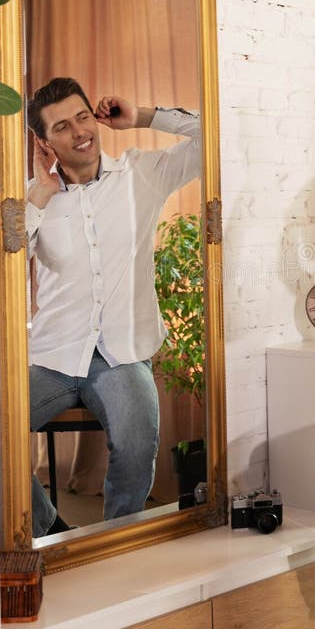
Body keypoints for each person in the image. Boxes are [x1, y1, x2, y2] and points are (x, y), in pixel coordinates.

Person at [26, 77, 200, 537]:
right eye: (62, 126)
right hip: (51, 356)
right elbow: (0, 257)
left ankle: (114, 544)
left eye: (83, 116)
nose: (80, 131)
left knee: (138, 440)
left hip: (120, 355)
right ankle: (54, 534)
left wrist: (142, 116)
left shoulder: (140, 173)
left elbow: (213, 135)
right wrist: (40, 195)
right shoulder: (33, 198)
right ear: (44, 142)